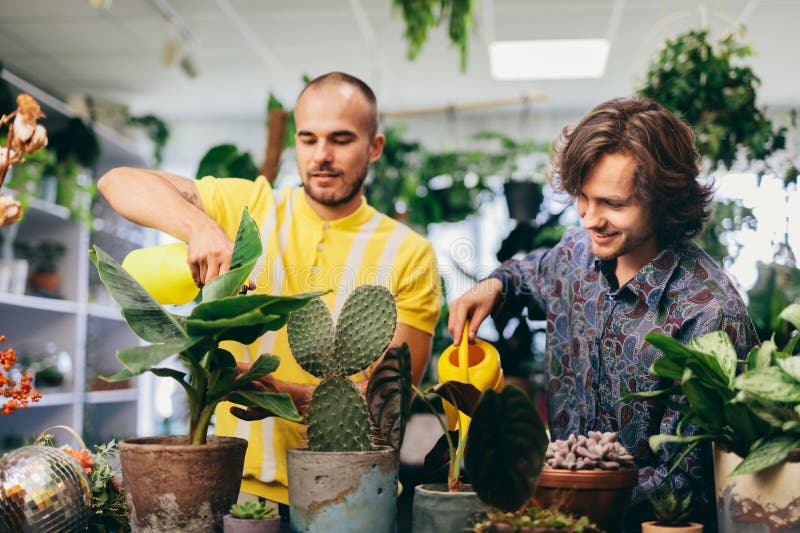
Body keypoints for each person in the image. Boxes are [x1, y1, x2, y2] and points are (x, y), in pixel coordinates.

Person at [98, 72, 440, 507]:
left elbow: (387, 406)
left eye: (340, 139)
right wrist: (201, 227)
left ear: (374, 147)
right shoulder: (251, 206)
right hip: (232, 493)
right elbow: (118, 181)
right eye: (308, 138)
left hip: (352, 500)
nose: (322, 156)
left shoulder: (411, 253)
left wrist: (287, 397)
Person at [448, 97, 758, 526]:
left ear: (664, 200)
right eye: (582, 198)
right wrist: (495, 285)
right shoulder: (575, 254)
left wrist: (555, 492)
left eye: (613, 204)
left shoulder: (710, 316)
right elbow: (529, 271)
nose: (591, 219)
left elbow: (688, 478)